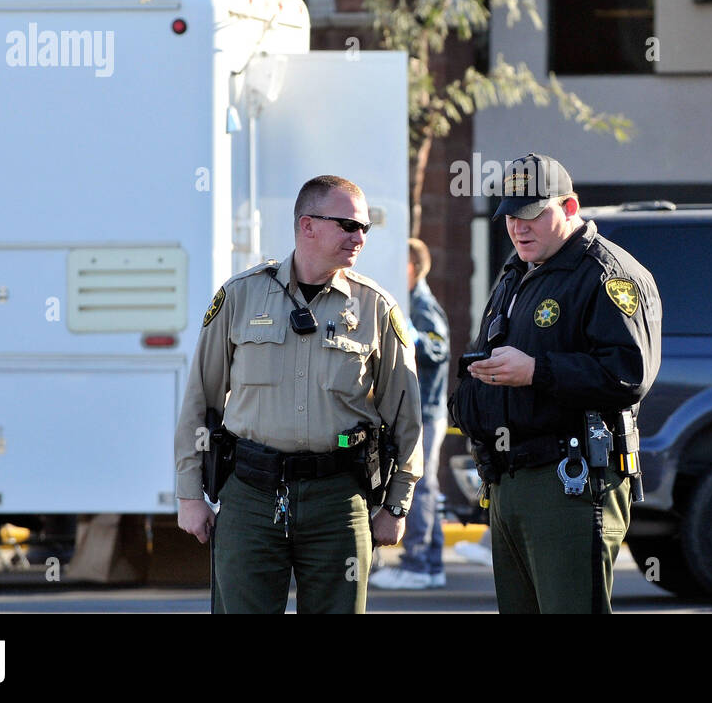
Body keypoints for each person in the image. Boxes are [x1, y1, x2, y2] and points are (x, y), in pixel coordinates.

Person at [174, 175, 422, 614]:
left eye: (364, 227)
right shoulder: (240, 296)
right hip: (251, 495)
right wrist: (190, 494)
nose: (359, 236)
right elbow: (201, 400)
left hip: (339, 502)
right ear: (307, 225)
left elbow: (406, 417)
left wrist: (398, 505)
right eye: (347, 224)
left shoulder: (376, 308)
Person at [450, 153, 661, 614]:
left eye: (532, 215)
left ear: (569, 207)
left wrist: (536, 371)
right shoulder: (517, 273)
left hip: (570, 479)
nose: (518, 227)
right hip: (510, 480)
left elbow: (628, 373)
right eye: (511, 215)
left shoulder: (609, 275)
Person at [369, 238, 451, 589]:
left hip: (427, 411)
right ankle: (431, 565)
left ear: (412, 267)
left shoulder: (422, 304)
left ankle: (419, 564)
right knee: (425, 485)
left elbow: (439, 346)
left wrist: (414, 338)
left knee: (419, 485)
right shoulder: (414, 301)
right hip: (424, 410)